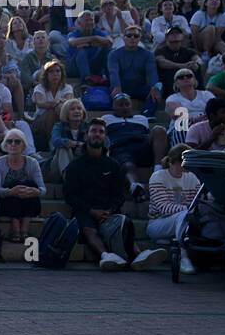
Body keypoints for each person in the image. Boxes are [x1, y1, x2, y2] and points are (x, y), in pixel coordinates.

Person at [62, 119, 166, 272]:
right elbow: (69, 195)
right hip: (85, 211)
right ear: (86, 136)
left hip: (108, 211)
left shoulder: (113, 165)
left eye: (101, 132)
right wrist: (91, 211)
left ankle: (138, 256)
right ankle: (106, 256)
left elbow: (120, 194)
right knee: (88, 228)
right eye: (94, 131)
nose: (97, 134)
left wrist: (111, 210)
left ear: (105, 137)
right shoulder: (74, 166)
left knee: (124, 222)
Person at [148, 144, 200, 274]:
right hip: (157, 222)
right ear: (170, 161)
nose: (182, 167)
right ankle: (184, 257)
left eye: (184, 164)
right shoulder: (158, 177)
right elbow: (163, 207)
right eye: (178, 163)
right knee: (183, 215)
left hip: (184, 219)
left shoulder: (192, 178)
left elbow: (197, 202)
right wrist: (187, 208)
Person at [103, 93, 168, 194]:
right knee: (128, 165)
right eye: (120, 105)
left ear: (131, 106)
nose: (124, 107)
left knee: (159, 130)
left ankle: (158, 170)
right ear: (113, 107)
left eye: (126, 104)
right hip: (121, 148)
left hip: (142, 147)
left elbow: (150, 136)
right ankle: (135, 186)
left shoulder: (141, 118)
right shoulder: (106, 119)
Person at [0, 129, 45, 245]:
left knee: (30, 185)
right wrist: (11, 192)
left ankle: (24, 228)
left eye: (17, 142)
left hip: (28, 202)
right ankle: (16, 228)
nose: (13, 144)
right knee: (13, 185)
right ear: (5, 145)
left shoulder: (32, 162)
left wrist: (35, 192)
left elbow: (43, 189)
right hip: (6, 203)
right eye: (9, 141)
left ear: (23, 145)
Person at [107, 25, 162, 114]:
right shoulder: (114, 54)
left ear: (139, 38)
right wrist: (116, 86)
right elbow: (113, 72)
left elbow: (152, 72)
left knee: (157, 89)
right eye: (129, 36)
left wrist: (153, 86)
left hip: (140, 87)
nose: (132, 38)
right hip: (122, 86)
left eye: (135, 36)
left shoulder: (148, 55)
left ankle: (148, 113)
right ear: (123, 38)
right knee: (114, 92)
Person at [30, 60, 75, 149]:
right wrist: (58, 103)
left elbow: (69, 102)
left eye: (58, 71)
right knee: (52, 112)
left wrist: (57, 105)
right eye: (51, 71)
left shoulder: (67, 87)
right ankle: (53, 146)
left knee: (61, 110)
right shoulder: (39, 87)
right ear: (46, 75)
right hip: (40, 121)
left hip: (60, 116)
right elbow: (40, 103)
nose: (55, 74)